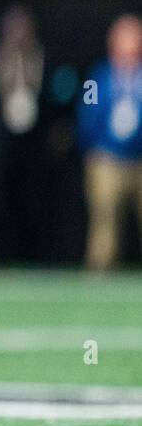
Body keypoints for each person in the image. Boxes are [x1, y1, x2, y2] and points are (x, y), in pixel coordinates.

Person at [79, 14, 142, 270]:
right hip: (107, 160)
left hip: (140, 159)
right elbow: (86, 118)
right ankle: (98, 278)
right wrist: (95, 150)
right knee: (104, 226)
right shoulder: (98, 77)